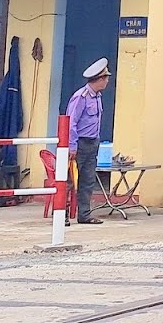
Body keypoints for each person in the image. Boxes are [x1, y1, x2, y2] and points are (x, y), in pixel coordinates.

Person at [66, 58, 112, 225]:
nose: (107, 81)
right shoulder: (81, 97)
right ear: (99, 79)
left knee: (88, 180)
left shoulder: (97, 97)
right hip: (79, 143)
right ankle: (62, 215)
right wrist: (72, 145)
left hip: (92, 143)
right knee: (70, 181)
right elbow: (71, 122)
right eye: (105, 78)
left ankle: (84, 215)